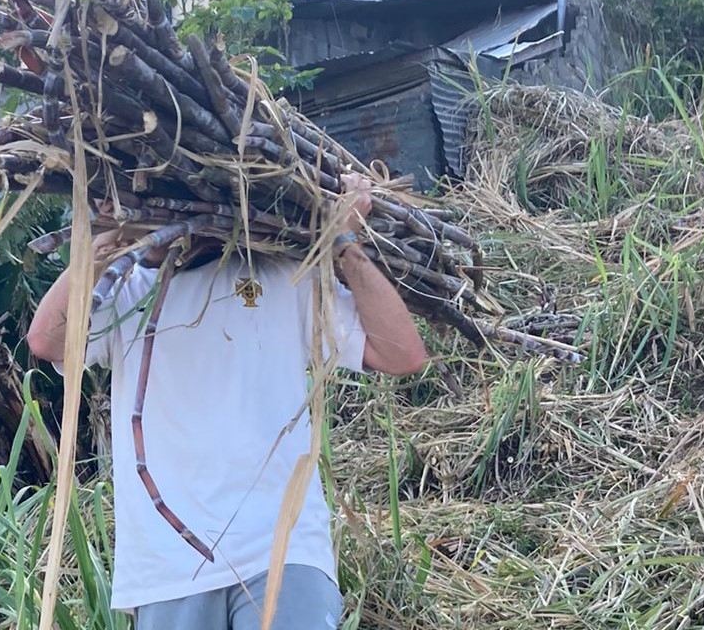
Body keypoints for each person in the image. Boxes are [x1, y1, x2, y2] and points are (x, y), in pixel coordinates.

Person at [26, 181, 427, 629]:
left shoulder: (282, 274)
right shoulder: (123, 291)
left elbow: (401, 354)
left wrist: (345, 244)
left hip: (281, 549)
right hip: (169, 566)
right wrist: (102, 248)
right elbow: (46, 340)